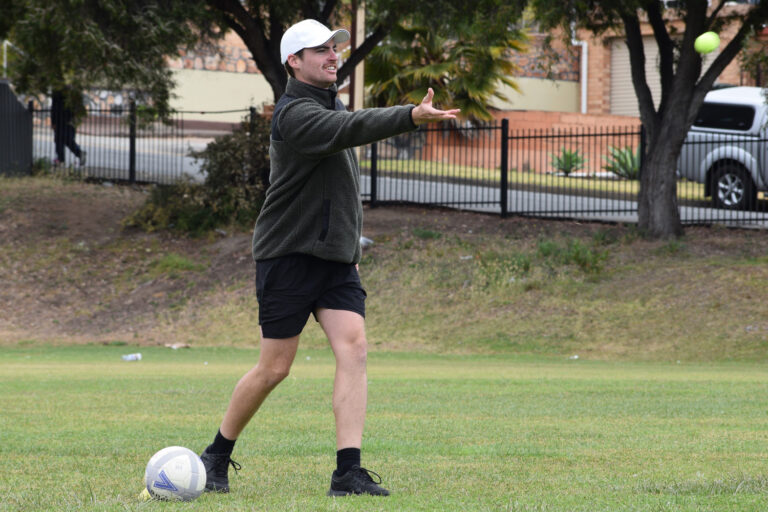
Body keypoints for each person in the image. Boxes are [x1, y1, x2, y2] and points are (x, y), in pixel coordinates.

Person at [198, 18, 459, 498]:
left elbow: (341, 189)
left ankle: (348, 473)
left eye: (336, 48)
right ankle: (215, 455)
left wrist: (349, 250)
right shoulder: (294, 114)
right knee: (274, 368)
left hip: (334, 262)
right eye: (321, 50)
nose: (334, 55)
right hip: (288, 255)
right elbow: (350, 128)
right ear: (294, 61)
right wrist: (408, 115)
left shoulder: (328, 105)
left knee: (354, 348)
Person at [51, 89, 86, 166]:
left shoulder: (71, 91)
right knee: (60, 140)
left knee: (67, 139)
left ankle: (77, 154)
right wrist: (53, 121)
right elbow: (54, 107)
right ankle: (61, 159)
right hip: (60, 120)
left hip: (67, 120)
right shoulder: (58, 91)